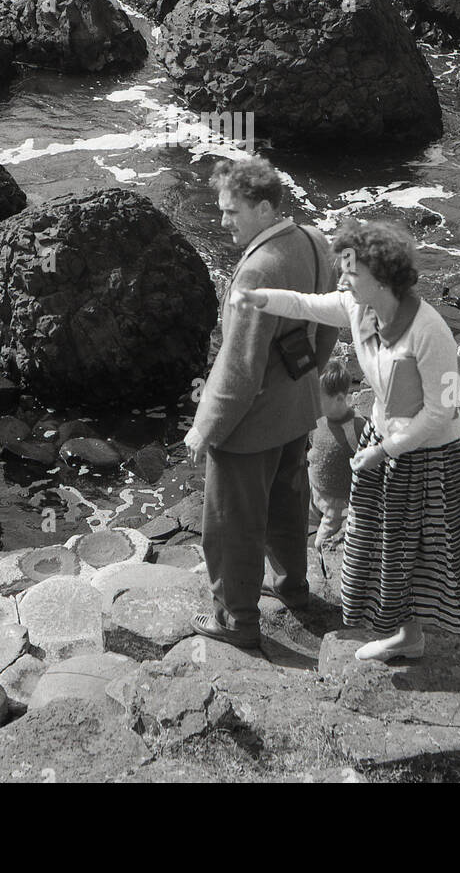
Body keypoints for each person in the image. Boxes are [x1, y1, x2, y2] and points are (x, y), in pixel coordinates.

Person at [233, 219, 460, 711]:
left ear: (382, 276)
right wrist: (257, 296)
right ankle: (407, 637)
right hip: (384, 447)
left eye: (350, 270)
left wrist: (383, 451)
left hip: (437, 458)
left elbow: (441, 411)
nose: (342, 278)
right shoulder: (359, 306)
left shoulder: (430, 330)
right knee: (392, 556)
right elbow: (307, 305)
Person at [184, 156, 339, 649]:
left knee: (232, 523)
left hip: (251, 425)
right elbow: (330, 320)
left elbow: (239, 369)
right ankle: (293, 588)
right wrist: (309, 370)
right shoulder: (315, 240)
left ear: (266, 208)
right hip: (296, 407)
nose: (223, 221)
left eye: (232, 212)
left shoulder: (257, 270)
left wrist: (205, 428)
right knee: (287, 506)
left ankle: (237, 622)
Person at [309, 356, 367, 551]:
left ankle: (324, 574)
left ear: (340, 398)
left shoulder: (357, 427)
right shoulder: (319, 418)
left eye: (319, 399)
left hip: (337, 503)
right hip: (314, 491)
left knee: (321, 545)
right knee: (304, 534)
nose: (314, 403)